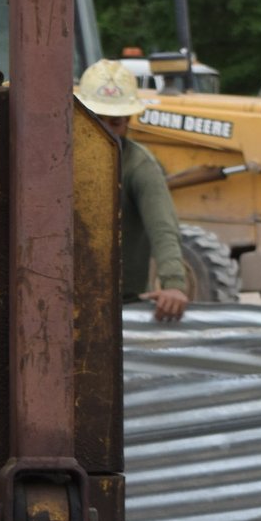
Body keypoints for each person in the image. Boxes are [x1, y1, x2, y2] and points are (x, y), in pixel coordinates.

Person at [77, 59, 189, 323]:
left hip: (123, 302)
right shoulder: (58, 160)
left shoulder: (139, 165)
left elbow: (163, 226)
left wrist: (173, 283)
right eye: (96, 120)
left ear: (127, 121)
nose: (105, 131)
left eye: (114, 122)